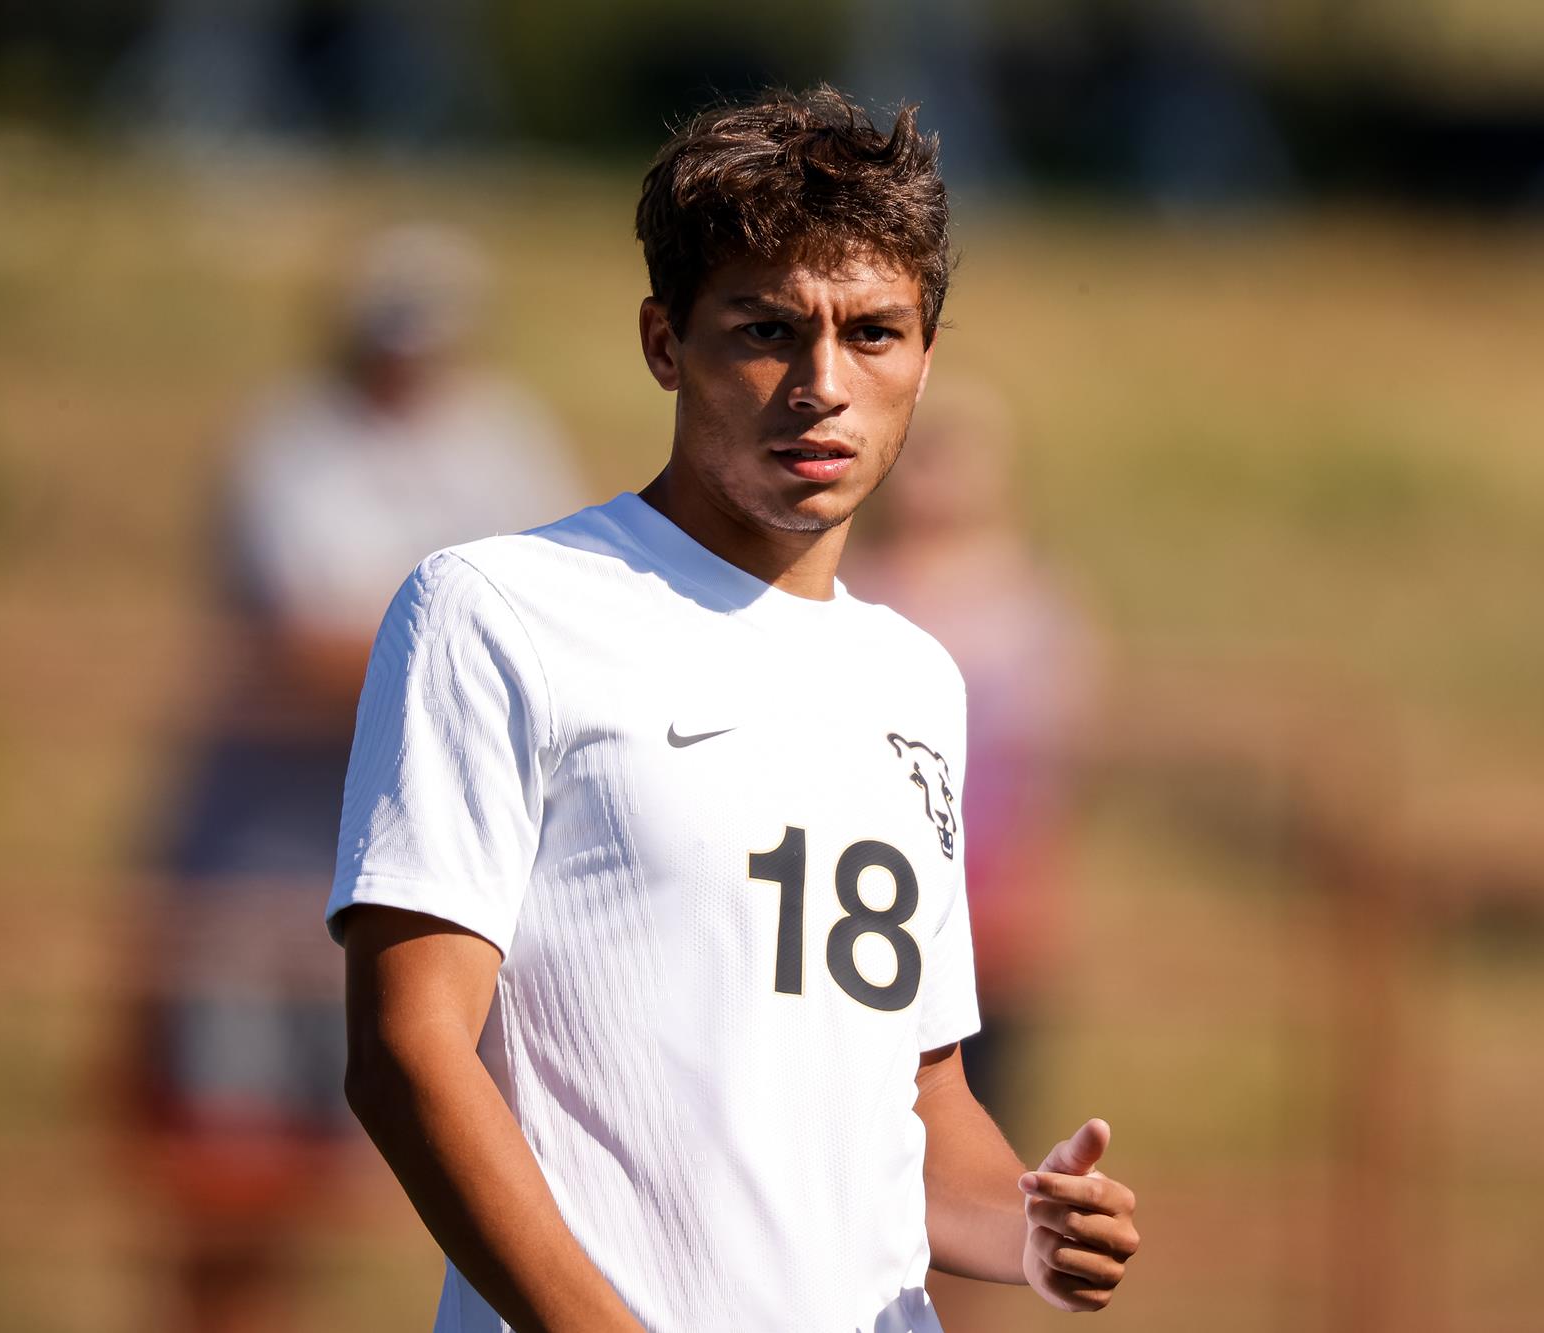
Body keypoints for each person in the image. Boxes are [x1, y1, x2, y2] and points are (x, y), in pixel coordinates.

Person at [327, 88, 1141, 1331]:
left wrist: (1027, 1226)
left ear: (925, 354)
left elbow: (915, 1112)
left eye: (872, 333)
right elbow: (406, 1050)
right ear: (665, 342)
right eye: (766, 329)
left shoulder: (915, 678)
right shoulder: (498, 609)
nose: (822, 383)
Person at [133, 223, 582, 1332]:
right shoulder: (290, 446)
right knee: (237, 1184)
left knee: (498, 1172)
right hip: (261, 872)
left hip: (430, 878)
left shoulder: (500, 440)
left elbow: (551, 640)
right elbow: (306, 642)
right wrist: (463, 671)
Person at [846, 377, 1099, 1128]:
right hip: (864, 921)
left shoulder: (1035, 608)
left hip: (991, 929)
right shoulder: (852, 593)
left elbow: (1053, 776)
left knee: (980, 1133)